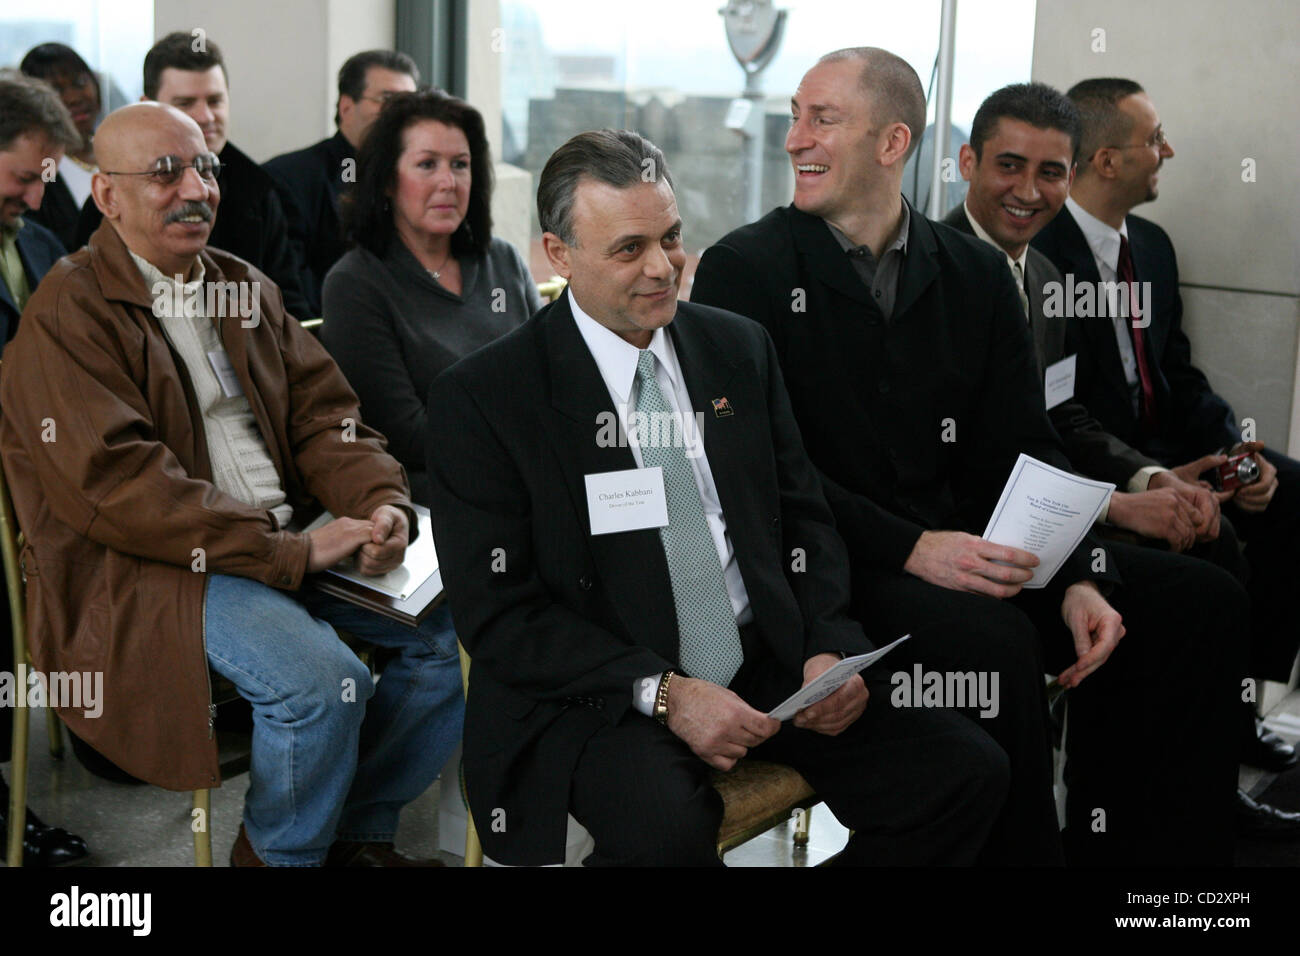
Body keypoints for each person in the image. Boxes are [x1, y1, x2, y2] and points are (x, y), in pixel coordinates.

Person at [692, 48, 1247, 865]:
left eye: (823, 119)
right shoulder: (747, 270)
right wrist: (917, 549)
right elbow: (770, 480)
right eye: (799, 116)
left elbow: (1024, 447)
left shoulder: (976, 272)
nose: (796, 138)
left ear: (891, 144)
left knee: (1200, 600)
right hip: (841, 564)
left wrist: (1079, 575)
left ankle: (1159, 869)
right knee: (991, 640)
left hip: (965, 550)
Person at [424, 129, 1011, 867]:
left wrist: (828, 649)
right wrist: (665, 693)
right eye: (629, 249)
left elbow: (805, 517)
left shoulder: (737, 348)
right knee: (666, 830)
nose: (663, 268)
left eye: (671, 238)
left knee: (965, 772)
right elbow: (501, 614)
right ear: (558, 254)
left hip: (764, 657)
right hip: (603, 690)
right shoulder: (485, 399)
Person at [0, 102, 464, 867]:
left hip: (284, 537)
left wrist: (378, 504)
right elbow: (120, 489)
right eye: (164, 172)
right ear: (107, 196)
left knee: (453, 633)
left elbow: (328, 420)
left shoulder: (243, 286)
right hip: (156, 568)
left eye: (206, 168)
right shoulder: (67, 313)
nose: (197, 188)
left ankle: (355, 828)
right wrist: (289, 554)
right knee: (323, 683)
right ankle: (276, 857)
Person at [946, 80, 1300, 831]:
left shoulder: (1035, 273)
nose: (1030, 191)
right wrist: (1117, 501)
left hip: (1062, 495)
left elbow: (1062, 413)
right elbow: (975, 453)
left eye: (1050, 173)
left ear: (1075, 173)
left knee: (1226, 547)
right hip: (973, 528)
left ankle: (1178, 806)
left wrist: (1151, 476)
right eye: (1009, 167)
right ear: (966, 163)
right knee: (1199, 584)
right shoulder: (940, 273)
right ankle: (1121, 817)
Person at [1032, 78, 1300, 709]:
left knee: (1288, 493)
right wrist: (1151, 477)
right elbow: (1057, 414)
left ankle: (1242, 707)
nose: (1168, 151)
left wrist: (1238, 451)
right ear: (1106, 161)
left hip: (1164, 439)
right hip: (1100, 461)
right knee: (1212, 546)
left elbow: (1178, 375)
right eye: (1154, 139)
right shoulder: (1042, 254)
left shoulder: (1151, 247)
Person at [322, 91, 541, 506]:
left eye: (460, 165)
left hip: (533, 481)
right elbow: (406, 435)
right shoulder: (355, 284)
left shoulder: (503, 260)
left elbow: (554, 380)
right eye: (427, 165)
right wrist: (526, 440)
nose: (448, 182)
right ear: (387, 179)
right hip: (440, 503)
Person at [0, 69, 88, 867]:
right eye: (23, 176)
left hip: (41, 487)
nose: (33, 195)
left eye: (44, 179)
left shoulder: (42, 247)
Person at [72, 32, 311, 318]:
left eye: (214, 101)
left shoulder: (259, 189)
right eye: (185, 103)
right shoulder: (117, 193)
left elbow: (288, 307)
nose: (206, 117)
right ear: (147, 105)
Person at [265, 50, 419, 315]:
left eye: (410, 103)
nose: (401, 114)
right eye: (388, 100)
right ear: (346, 107)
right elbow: (293, 294)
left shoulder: (419, 180)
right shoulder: (291, 177)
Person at [17, 43, 101, 251]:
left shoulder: (124, 152)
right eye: (56, 89)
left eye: (80, 82)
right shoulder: (40, 173)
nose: (74, 98)